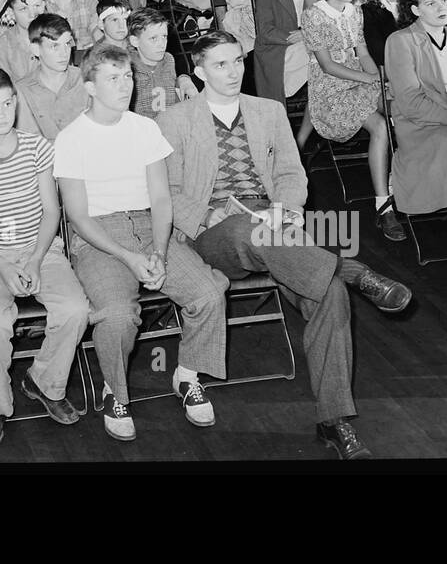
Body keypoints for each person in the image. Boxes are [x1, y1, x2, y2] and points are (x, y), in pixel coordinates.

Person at [158, 32, 412, 461]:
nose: (234, 70)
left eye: (237, 60)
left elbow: (294, 176)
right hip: (214, 232)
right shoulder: (174, 120)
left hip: (272, 226)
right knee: (244, 232)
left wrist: (285, 208)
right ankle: (352, 271)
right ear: (199, 71)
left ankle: (335, 421)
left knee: (329, 296)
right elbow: (168, 190)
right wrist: (206, 217)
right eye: (220, 64)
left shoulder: (269, 110)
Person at [53, 44, 229, 441]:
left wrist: (160, 252)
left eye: (128, 76)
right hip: (99, 236)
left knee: (210, 291)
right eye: (112, 78)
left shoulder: (145, 128)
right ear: (90, 87)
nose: (124, 85)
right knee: (116, 314)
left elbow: (162, 198)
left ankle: (186, 375)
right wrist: (130, 258)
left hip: (151, 227)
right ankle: (115, 390)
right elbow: (78, 217)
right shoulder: (71, 138)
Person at [0, 65, 89, 448]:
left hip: (39, 248)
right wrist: (3, 264)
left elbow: (51, 211)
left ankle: (44, 381)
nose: (1, 114)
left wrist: (36, 258)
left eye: (7, 103)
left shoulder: (37, 147)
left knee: (75, 309)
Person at [301, 0, 395, 237]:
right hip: (330, 86)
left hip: (355, 75)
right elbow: (328, 65)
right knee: (380, 127)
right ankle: (383, 206)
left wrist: (378, 80)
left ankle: (401, 182)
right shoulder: (313, 15)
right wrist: (368, 79)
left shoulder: (355, 12)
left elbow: (363, 54)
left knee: (394, 108)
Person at [383, 0, 447, 218]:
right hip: (423, 123)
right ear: (415, 10)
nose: (442, 8)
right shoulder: (400, 41)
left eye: (444, 0)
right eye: (431, 4)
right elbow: (410, 102)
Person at [14, 14, 90, 140]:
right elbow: (28, 141)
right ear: (36, 49)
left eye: (67, 44)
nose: (64, 53)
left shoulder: (86, 79)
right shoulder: (22, 90)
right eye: (55, 46)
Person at [126, 7, 196, 119]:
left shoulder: (168, 59)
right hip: (144, 129)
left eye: (164, 36)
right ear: (135, 41)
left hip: (173, 124)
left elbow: (170, 84)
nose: (162, 44)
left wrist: (184, 80)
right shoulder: (127, 68)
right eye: (153, 38)